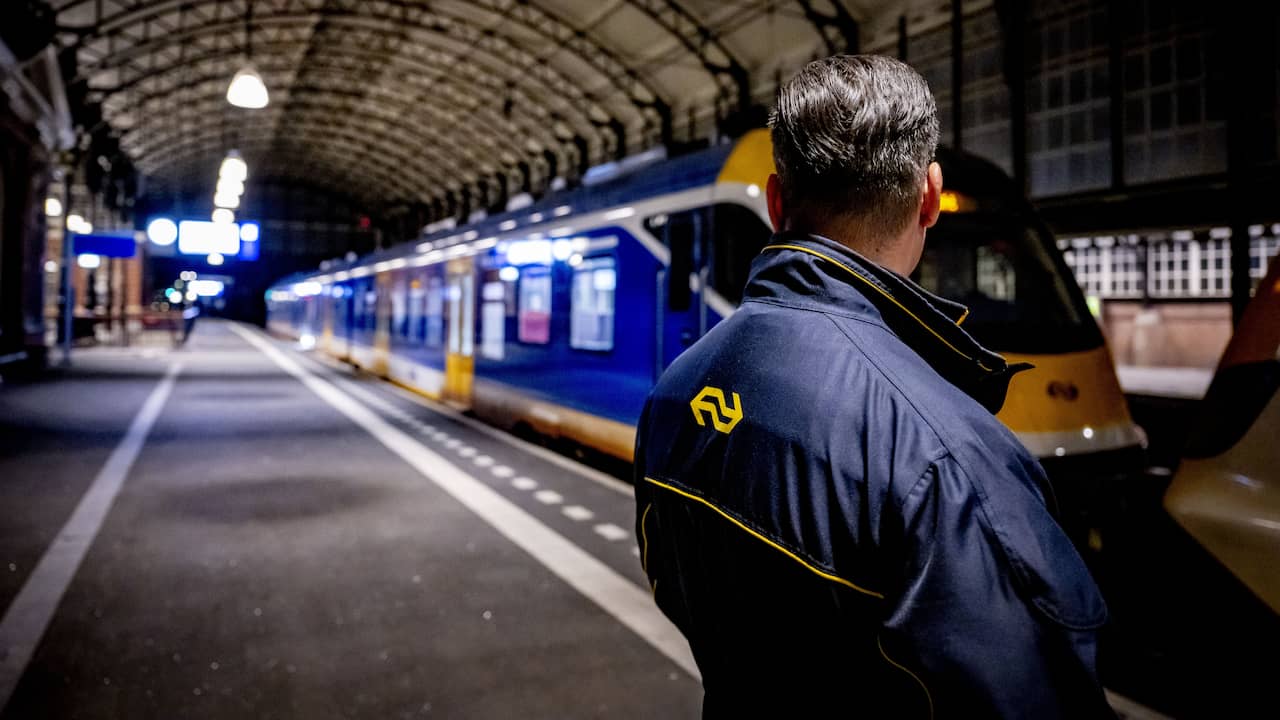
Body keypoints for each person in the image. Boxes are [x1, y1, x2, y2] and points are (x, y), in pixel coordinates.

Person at [633, 55, 1115, 718]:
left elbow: (679, 591)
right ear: (929, 195)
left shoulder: (673, 395)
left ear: (777, 200)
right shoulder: (948, 458)